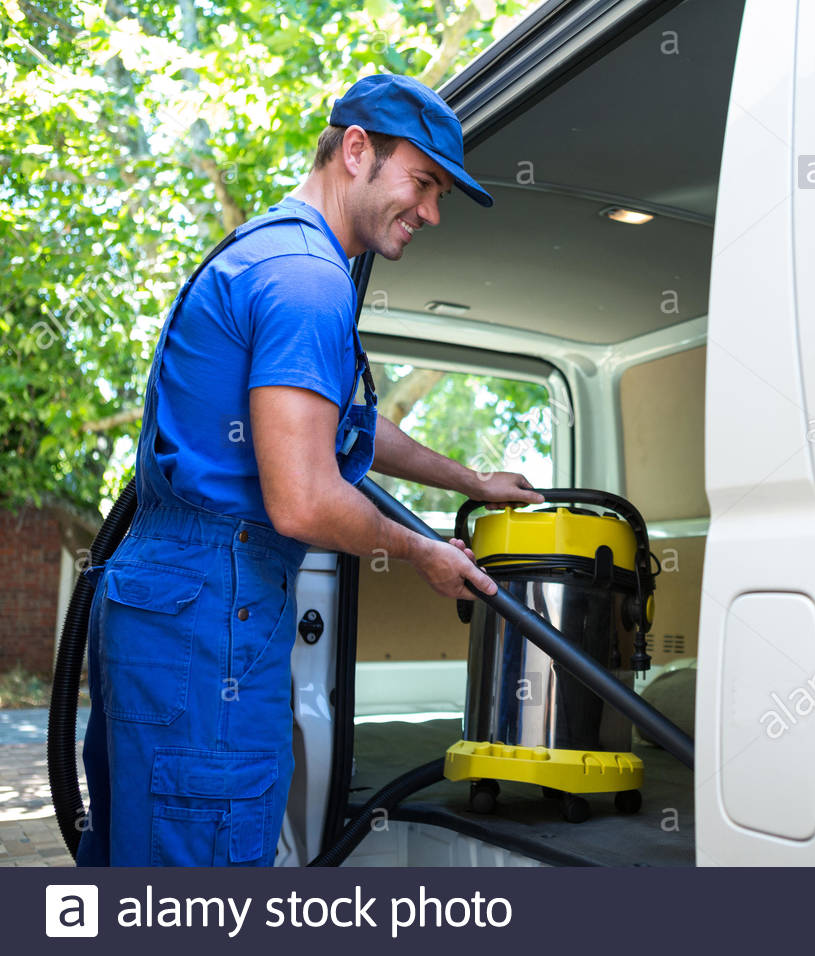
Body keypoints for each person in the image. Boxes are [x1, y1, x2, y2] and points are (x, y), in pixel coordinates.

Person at [76, 74, 544, 866]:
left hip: (169, 601)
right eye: (422, 183)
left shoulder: (272, 251)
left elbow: (339, 430)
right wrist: (423, 549)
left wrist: (470, 481)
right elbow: (302, 500)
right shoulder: (308, 281)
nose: (430, 212)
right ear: (356, 150)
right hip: (213, 613)